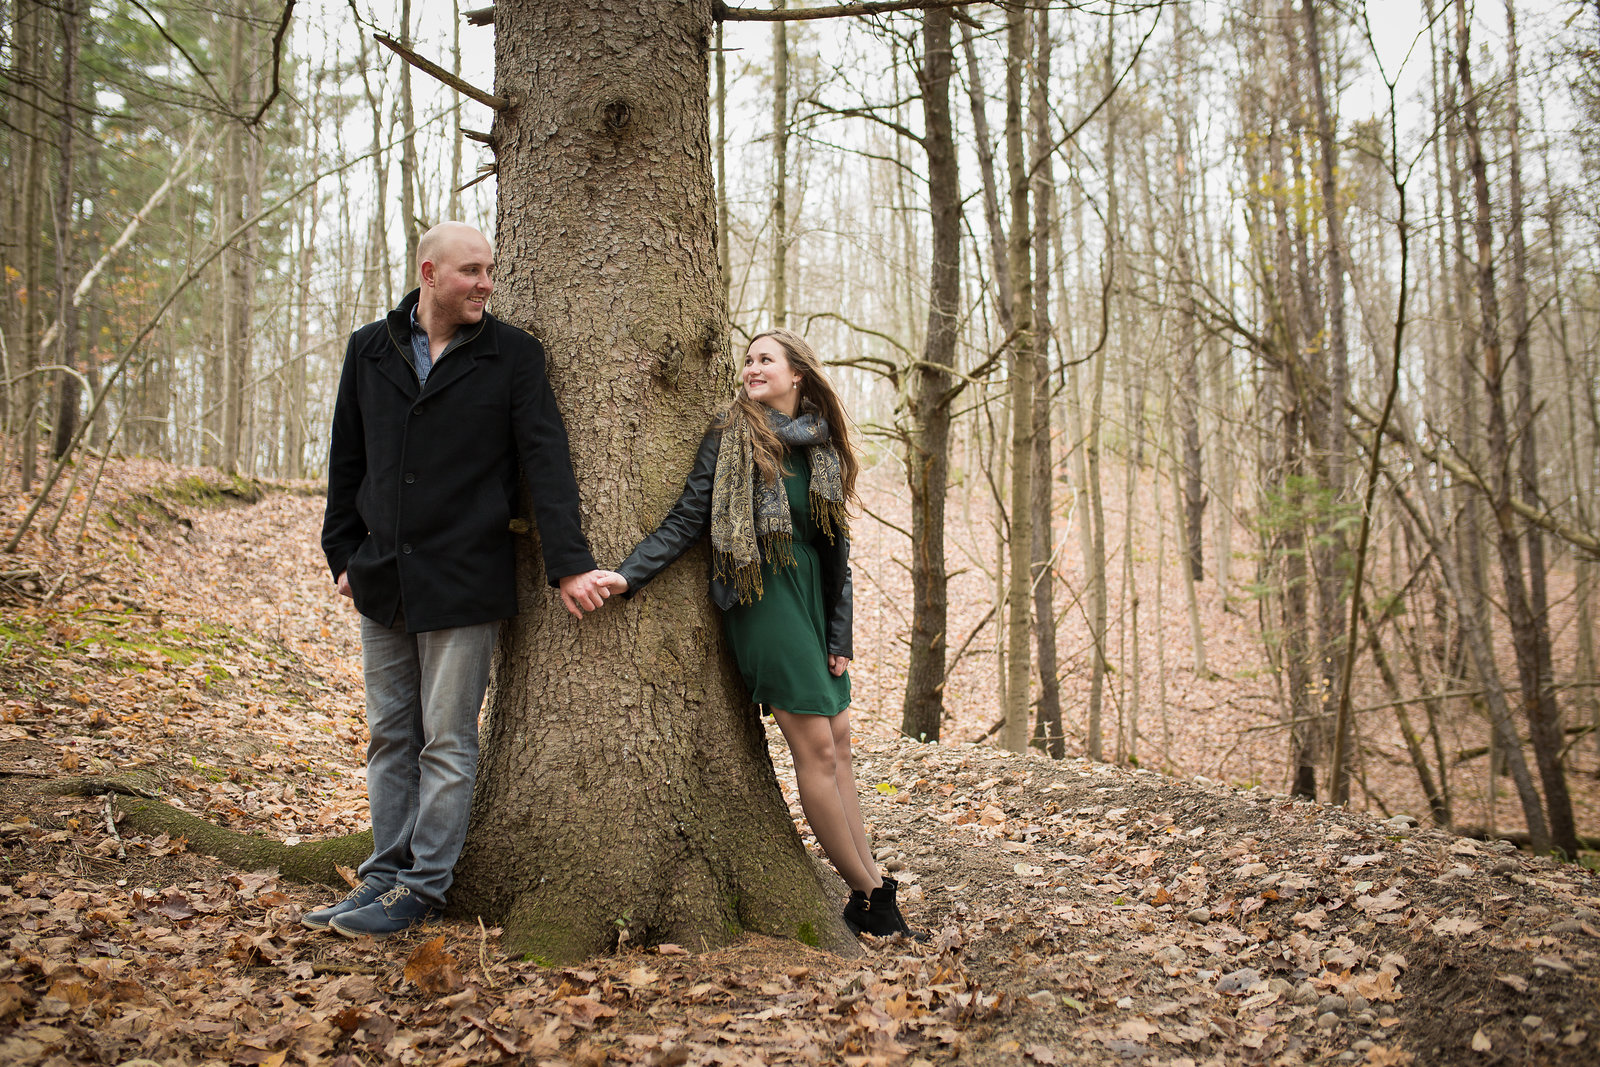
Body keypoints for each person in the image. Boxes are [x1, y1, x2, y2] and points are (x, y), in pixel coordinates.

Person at [313, 222, 612, 938]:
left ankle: (422, 888)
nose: (485, 283)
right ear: (429, 273)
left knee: (446, 739)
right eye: (471, 271)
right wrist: (343, 553)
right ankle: (383, 876)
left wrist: (568, 563)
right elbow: (347, 457)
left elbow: (546, 461)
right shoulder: (369, 348)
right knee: (390, 736)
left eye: (489, 270)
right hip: (383, 576)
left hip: (465, 576)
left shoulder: (512, 355)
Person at [596, 329, 918, 939]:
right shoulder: (732, 433)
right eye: (747, 360)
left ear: (798, 373)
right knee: (816, 750)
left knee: (840, 746)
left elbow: (836, 551)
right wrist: (628, 574)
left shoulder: (820, 443)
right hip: (764, 598)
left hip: (814, 602)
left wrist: (840, 636)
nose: (751, 368)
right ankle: (870, 894)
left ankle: (872, 889)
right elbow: (689, 517)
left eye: (765, 359)